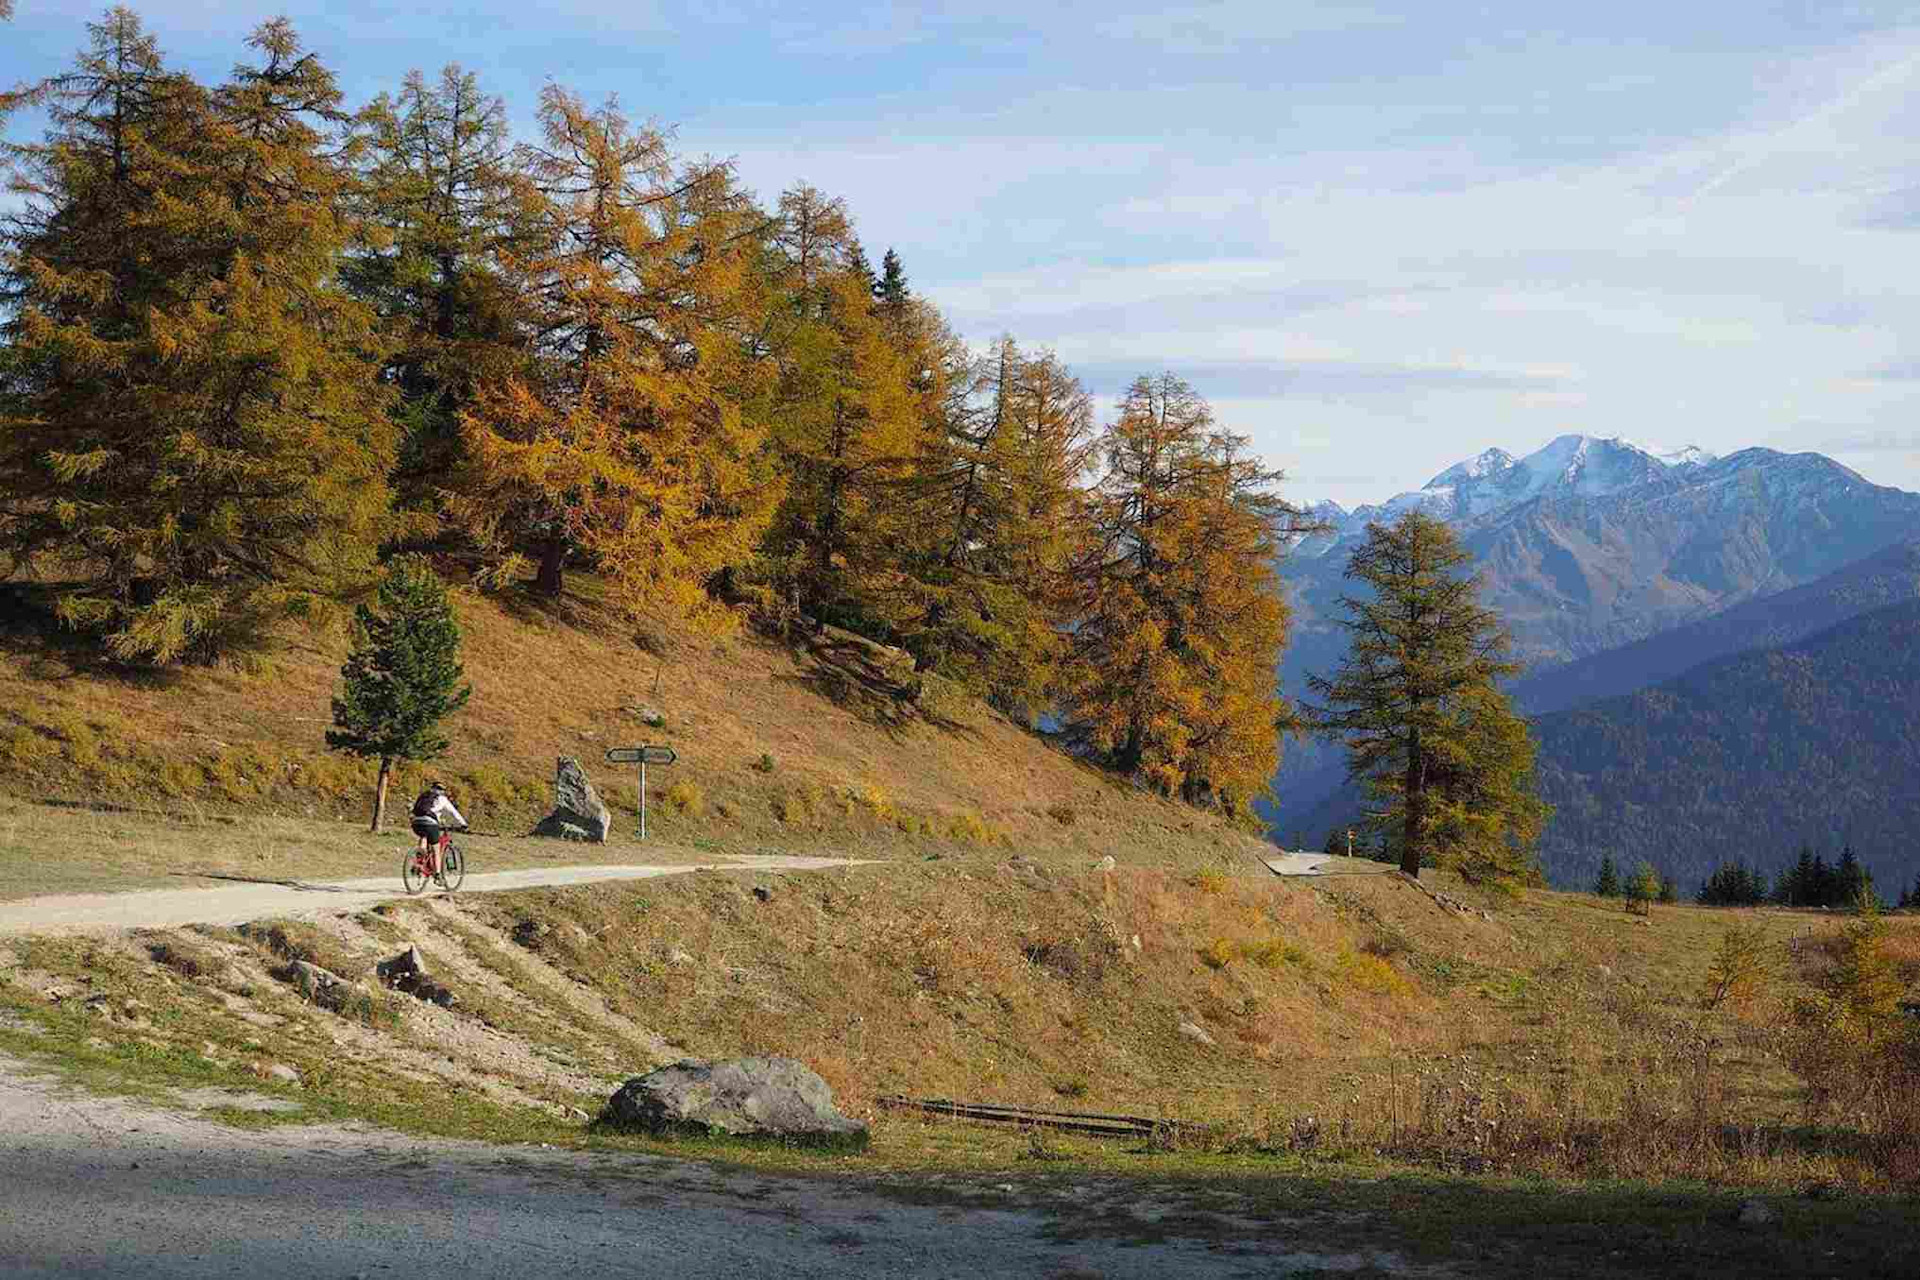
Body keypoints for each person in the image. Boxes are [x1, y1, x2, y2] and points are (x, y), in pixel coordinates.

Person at [409, 782, 468, 887]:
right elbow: (453, 812)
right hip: (430, 823)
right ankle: (437, 875)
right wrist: (463, 824)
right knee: (436, 848)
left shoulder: (424, 796)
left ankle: (419, 861)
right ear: (442, 791)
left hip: (416, 822)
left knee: (424, 837)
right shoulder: (441, 798)